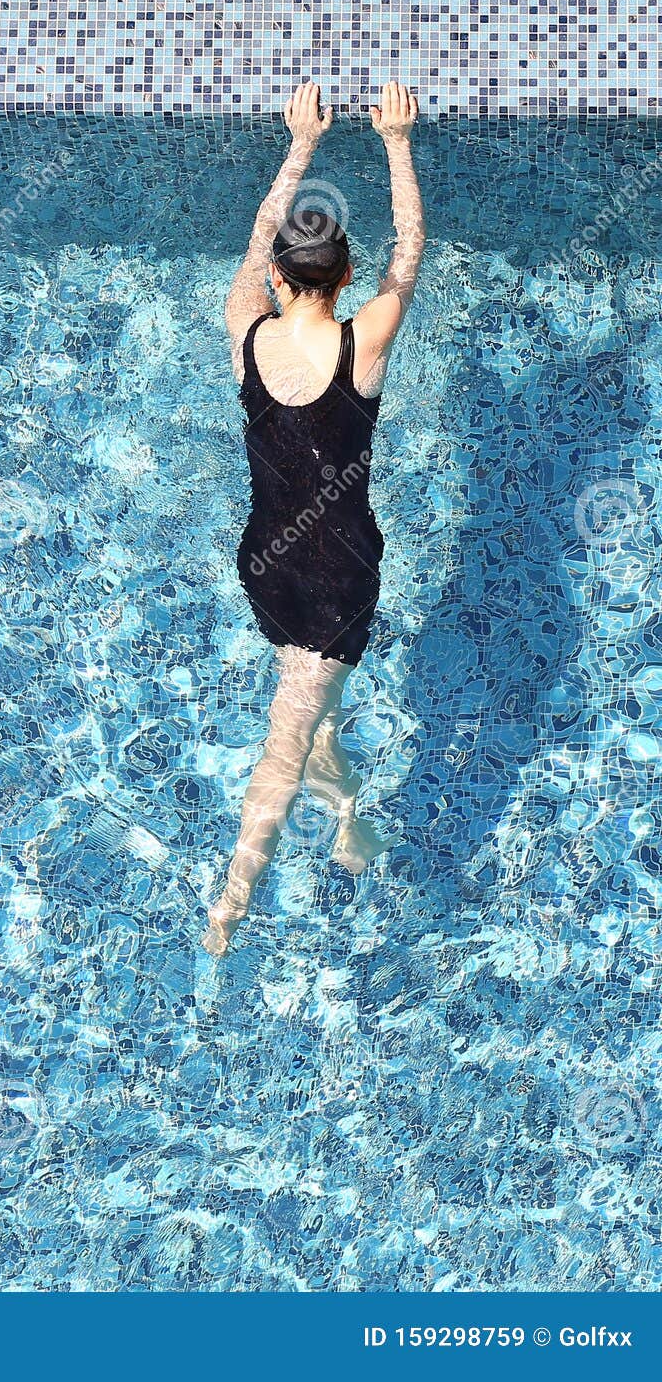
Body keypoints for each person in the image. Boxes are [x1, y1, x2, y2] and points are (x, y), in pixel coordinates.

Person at [205, 80, 426, 958]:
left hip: (265, 558)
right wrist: (397, 143)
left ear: (275, 280)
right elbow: (411, 249)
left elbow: (260, 240)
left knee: (311, 698)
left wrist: (299, 146)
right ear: (342, 278)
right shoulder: (362, 338)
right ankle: (234, 896)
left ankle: (346, 817)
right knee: (288, 727)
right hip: (337, 573)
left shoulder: (244, 327)